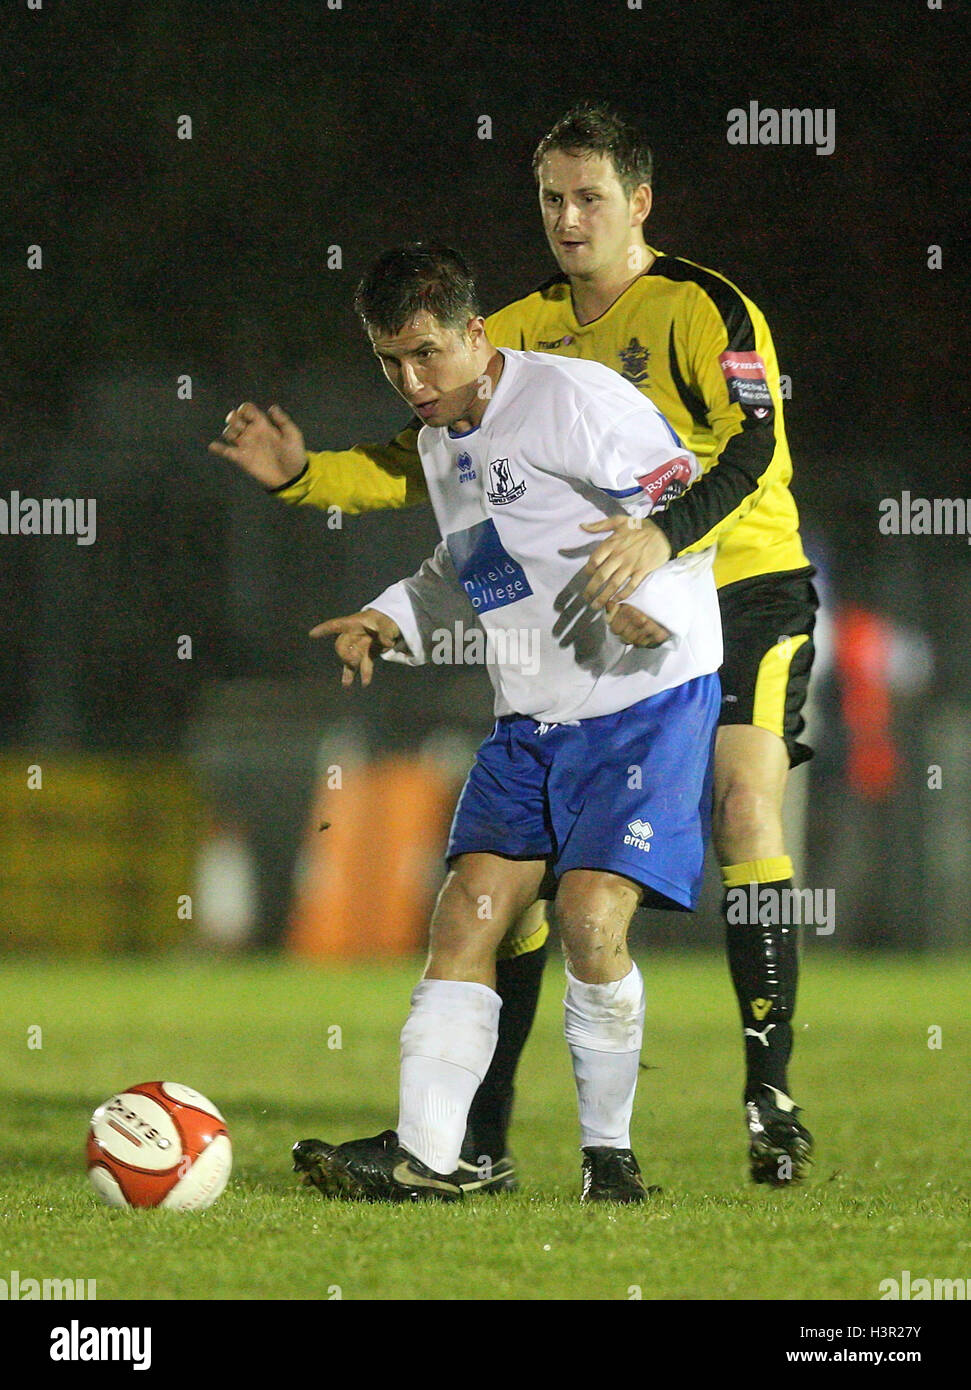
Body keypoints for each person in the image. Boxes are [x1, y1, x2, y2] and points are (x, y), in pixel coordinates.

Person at [209, 104, 816, 1188]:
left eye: (589, 196)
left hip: (728, 582)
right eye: (548, 197)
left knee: (735, 811)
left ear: (638, 202)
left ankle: (756, 1090)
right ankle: (461, 1144)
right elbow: (450, 501)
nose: (567, 217)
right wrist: (325, 506)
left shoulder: (696, 310)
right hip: (564, 656)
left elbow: (751, 443)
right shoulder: (510, 334)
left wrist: (659, 557)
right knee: (495, 903)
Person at [287, 242, 721, 1202]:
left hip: (641, 705)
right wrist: (389, 617)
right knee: (466, 914)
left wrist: (655, 595)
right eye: (390, 362)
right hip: (529, 716)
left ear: (477, 335)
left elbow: (687, 504)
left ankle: (609, 1158)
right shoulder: (446, 441)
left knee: (587, 921)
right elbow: (475, 569)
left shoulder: (572, 402)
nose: (411, 382)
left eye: (427, 354)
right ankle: (430, 1158)